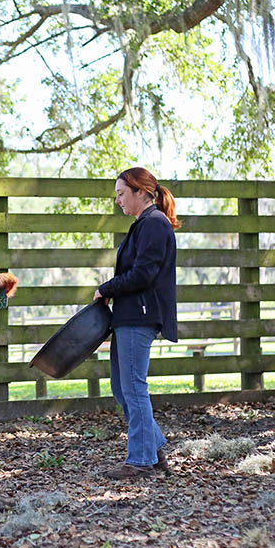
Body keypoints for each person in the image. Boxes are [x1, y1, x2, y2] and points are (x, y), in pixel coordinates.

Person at [93, 166, 180, 480]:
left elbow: (144, 274)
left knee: (133, 389)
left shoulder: (154, 224)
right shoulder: (144, 225)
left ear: (142, 192)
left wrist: (107, 288)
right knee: (122, 388)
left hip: (140, 316)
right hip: (128, 316)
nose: (117, 200)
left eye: (121, 193)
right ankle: (153, 449)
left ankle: (140, 460)